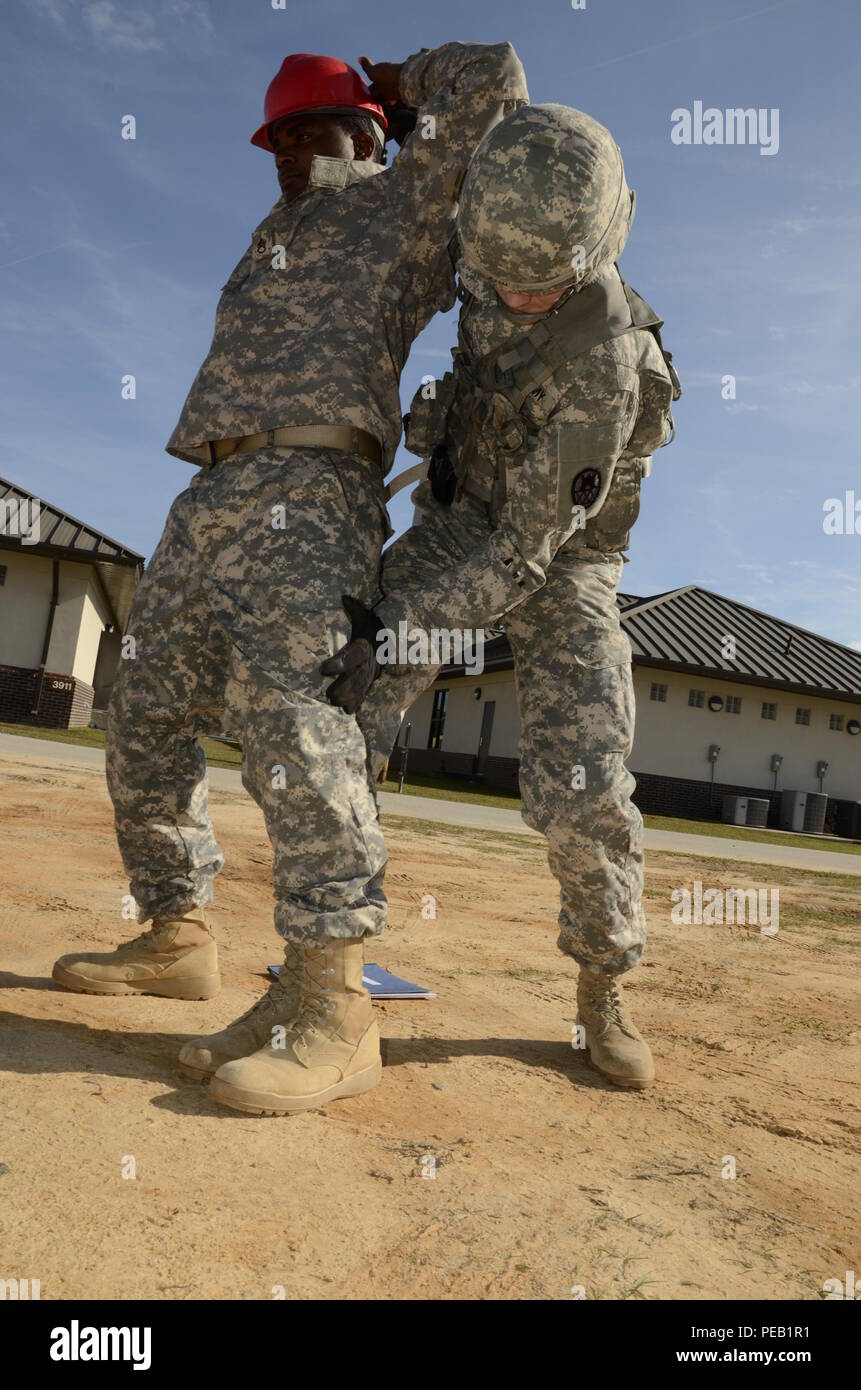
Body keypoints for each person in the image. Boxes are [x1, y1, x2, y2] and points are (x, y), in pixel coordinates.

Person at [52, 44, 528, 1116]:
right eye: (278, 138)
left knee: (294, 719)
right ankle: (176, 932)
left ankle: (334, 1003)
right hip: (210, 487)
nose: (287, 154)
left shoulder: (405, 204)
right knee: (146, 713)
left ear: (366, 137)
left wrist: (403, 81)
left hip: (312, 489)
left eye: (312, 131)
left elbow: (500, 81)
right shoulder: (274, 233)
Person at [327, 104, 681, 1089]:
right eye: (500, 285)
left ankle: (604, 986)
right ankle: (329, 958)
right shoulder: (495, 243)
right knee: (347, 698)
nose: (516, 303)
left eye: (543, 291)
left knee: (583, 784)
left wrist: (402, 620)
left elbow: (526, 557)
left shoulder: (606, 357)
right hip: (462, 512)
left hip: (559, 560)